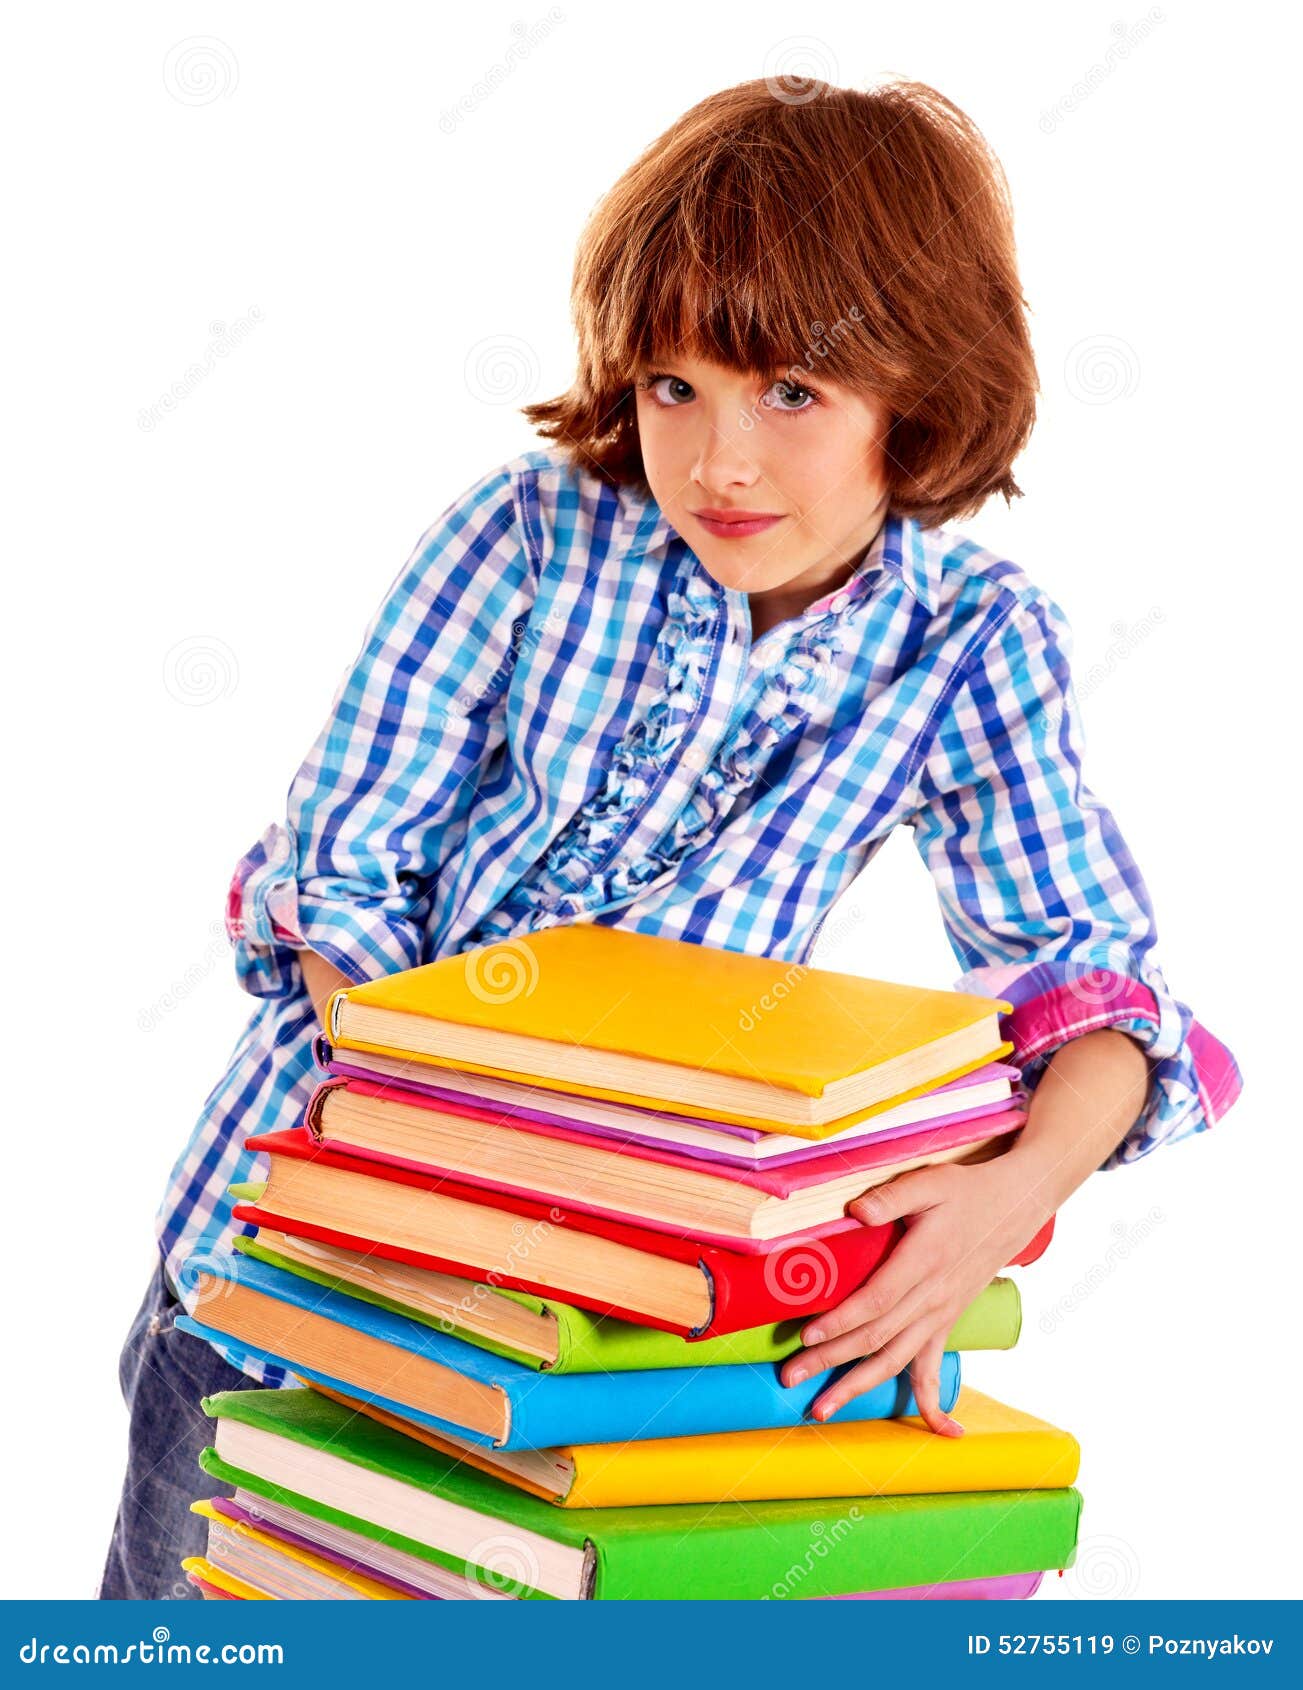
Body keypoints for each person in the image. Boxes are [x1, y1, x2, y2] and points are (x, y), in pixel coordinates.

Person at [99, 75, 1241, 1598]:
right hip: (298, 1275)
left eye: (790, 393)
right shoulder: (524, 537)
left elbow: (1090, 986)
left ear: (921, 391)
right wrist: (471, 1151)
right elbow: (344, 878)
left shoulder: (973, 643)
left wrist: (1002, 1204)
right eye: (672, 387)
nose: (719, 464)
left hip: (610, 1345)